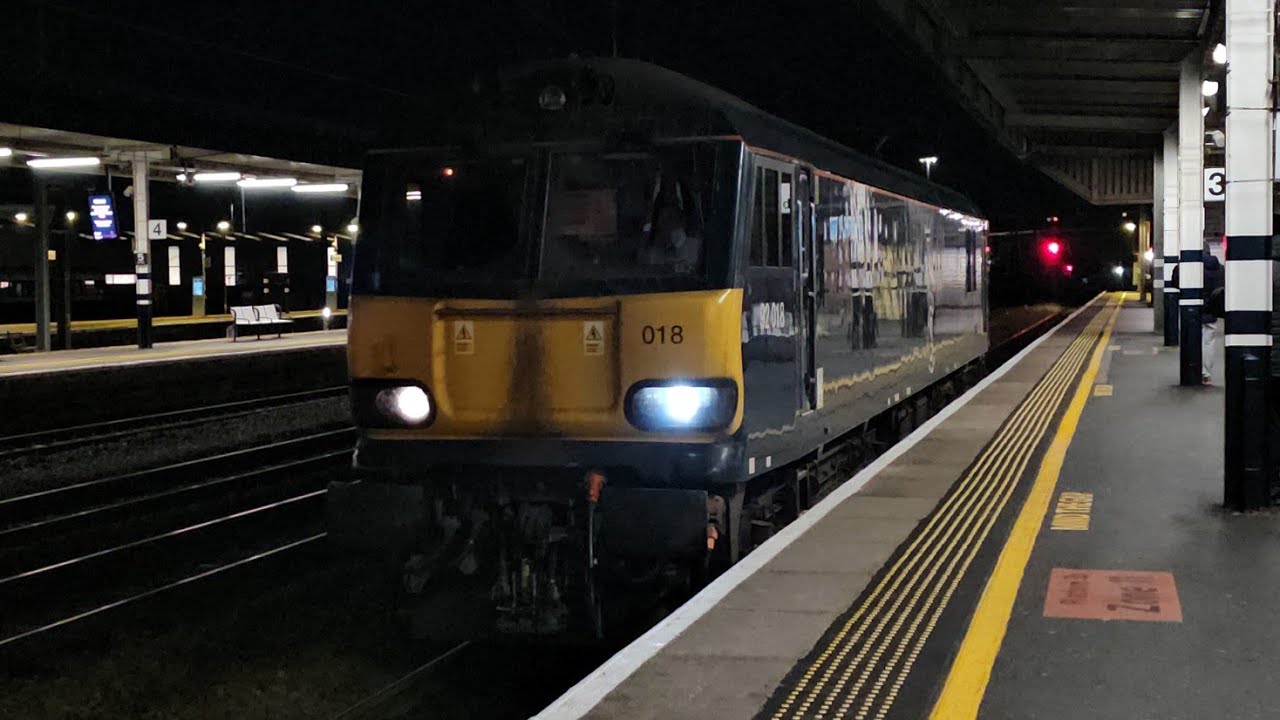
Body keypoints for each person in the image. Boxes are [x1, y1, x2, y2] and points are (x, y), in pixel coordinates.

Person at [1201, 244, 1224, 384]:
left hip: (1194, 310)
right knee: (1208, 342)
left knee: (1194, 339)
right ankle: (1206, 373)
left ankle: (1195, 369)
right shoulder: (1220, 268)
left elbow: (1175, 280)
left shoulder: (1191, 266)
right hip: (1212, 310)